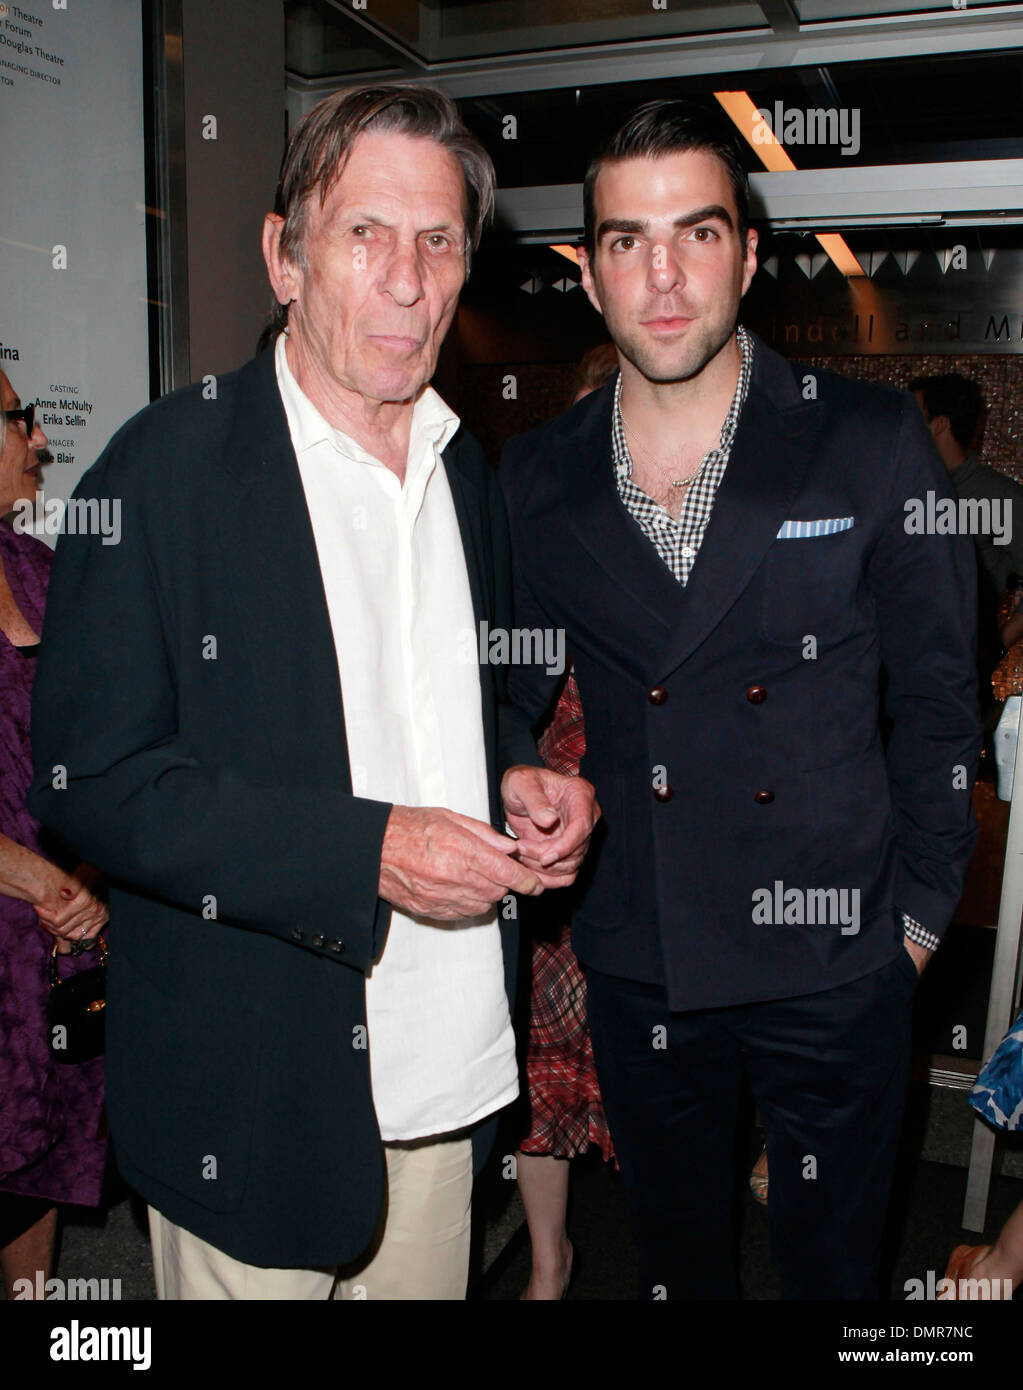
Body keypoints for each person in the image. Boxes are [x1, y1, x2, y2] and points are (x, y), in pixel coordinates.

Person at [28, 84, 597, 1301]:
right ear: (285, 256)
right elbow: (92, 782)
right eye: (365, 234)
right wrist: (366, 853)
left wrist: (514, 770)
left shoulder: (465, 475)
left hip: (445, 1072)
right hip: (253, 1084)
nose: (407, 278)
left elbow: (469, 694)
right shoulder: (163, 472)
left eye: (438, 241)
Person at [500, 98, 979, 1300]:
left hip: (839, 951)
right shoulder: (542, 474)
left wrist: (915, 925)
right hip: (644, 950)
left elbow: (937, 701)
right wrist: (519, 773)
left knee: (835, 1273)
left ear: (750, 255)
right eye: (625, 240)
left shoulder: (864, 440)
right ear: (591, 272)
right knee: (676, 1265)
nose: (663, 276)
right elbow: (502, 686)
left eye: (696, 233)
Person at [0, 374, 108, 1298]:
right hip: (24, 902)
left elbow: (101, 736)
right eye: (14, 419)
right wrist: (35, 879)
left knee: (38, 1131)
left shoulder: (37, 567)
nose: (37, 437)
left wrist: (82, 871)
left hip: (53, 935)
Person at [516, 344, 618, 1302]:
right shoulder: (528, 540)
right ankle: (550, 1262)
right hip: (545, 854)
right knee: (541, 1076)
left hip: (644, 867)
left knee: (656, 1075)